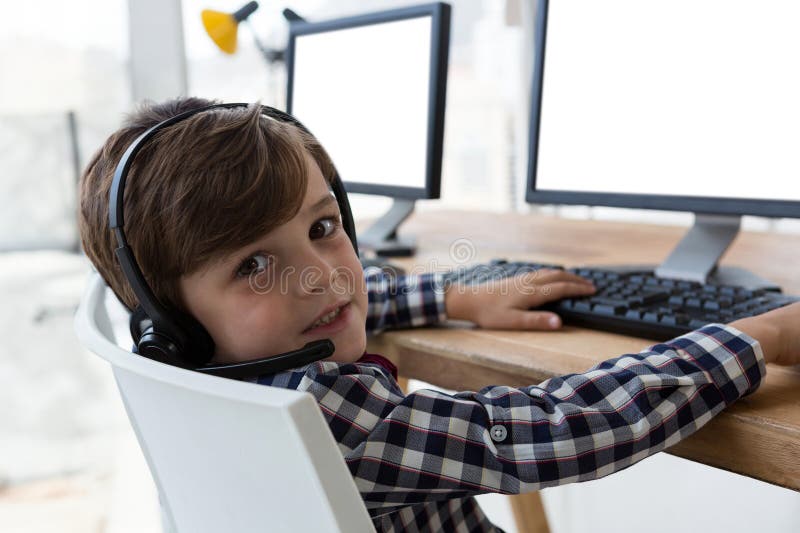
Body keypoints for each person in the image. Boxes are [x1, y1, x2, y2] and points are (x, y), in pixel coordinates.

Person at [79, 98, 800, 533]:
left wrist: (448, 295)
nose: (324, 273)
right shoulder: (333, 416)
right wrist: (754, 336)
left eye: (324, 227)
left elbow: (329, 300)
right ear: (173, 316)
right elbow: (556, 428)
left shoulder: (191, 365)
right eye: (253, 264)